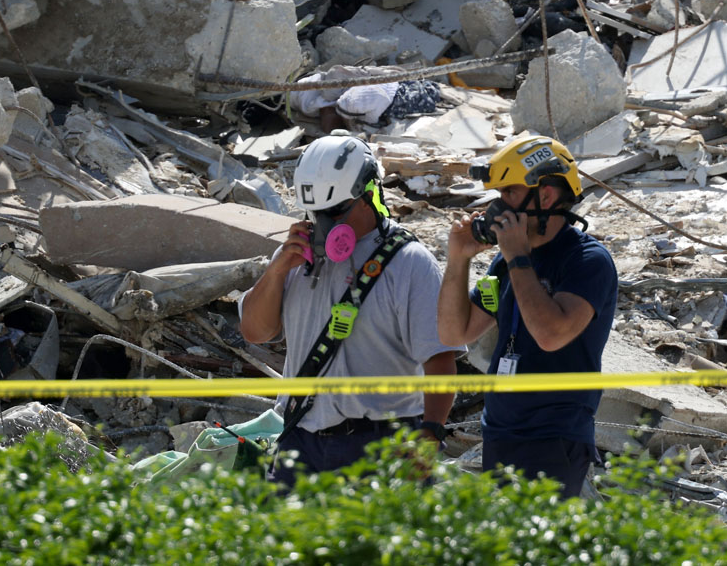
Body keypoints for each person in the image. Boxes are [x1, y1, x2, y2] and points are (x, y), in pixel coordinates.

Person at [240, 134, 458, 485]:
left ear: (369, 195)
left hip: (381, 442)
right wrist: (277, 269)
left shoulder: (409, 263)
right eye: (318, 213)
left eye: (336, 211)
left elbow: (440, 359)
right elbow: (255, 331)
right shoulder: (297, 259)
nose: (326, 223)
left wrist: (431, 432)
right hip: (301, 439)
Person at [437, 135, 618, 498]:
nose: (497, 206)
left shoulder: (587, 261)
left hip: (555, 439)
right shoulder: (505, 262)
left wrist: (518, 257)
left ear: (546, 196)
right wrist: (458, 259)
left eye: (509, 194)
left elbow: (551, 334)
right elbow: (453, 331)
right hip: (501, 434)